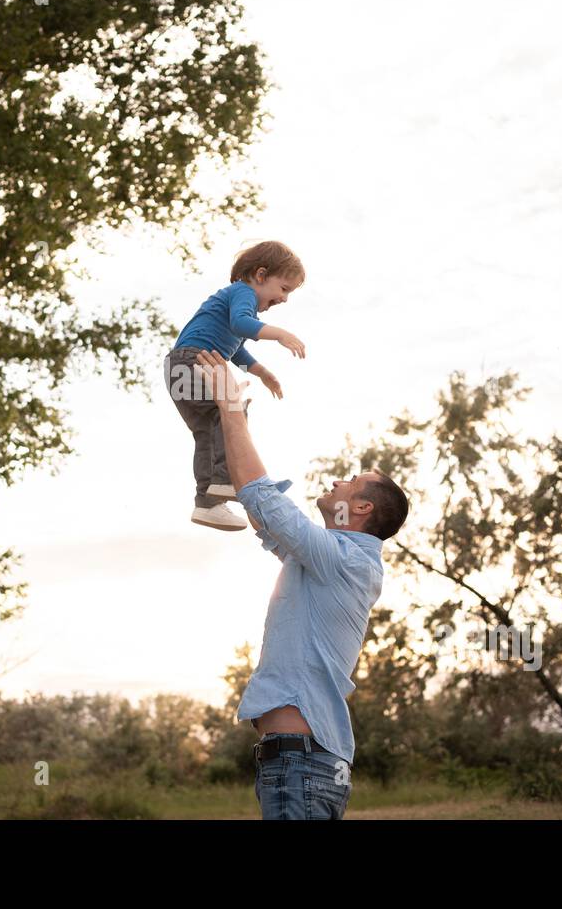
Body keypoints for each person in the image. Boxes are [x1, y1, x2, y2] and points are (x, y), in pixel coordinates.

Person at [192, 348, 409, 820]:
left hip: (301, 763)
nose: (338, 480)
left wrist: (230, 408)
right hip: (301, 763)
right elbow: (261, 514)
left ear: (364, 509)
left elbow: (265, 500)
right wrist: (231, 421)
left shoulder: (346, 560)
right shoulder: (326, 558)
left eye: (351, 480)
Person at [163, 241, 306, 531]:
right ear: (261, 275)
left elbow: (236, 350)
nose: (285, 299)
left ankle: (208, 503)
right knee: (232, 410)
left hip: (179, 367)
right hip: (193, 361)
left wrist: (262, 372)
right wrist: (279, 334)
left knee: (208, 431)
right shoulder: (243, 293)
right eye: (284, 289)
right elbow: (242, 325)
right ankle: (230, 481)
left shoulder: (239, 305)